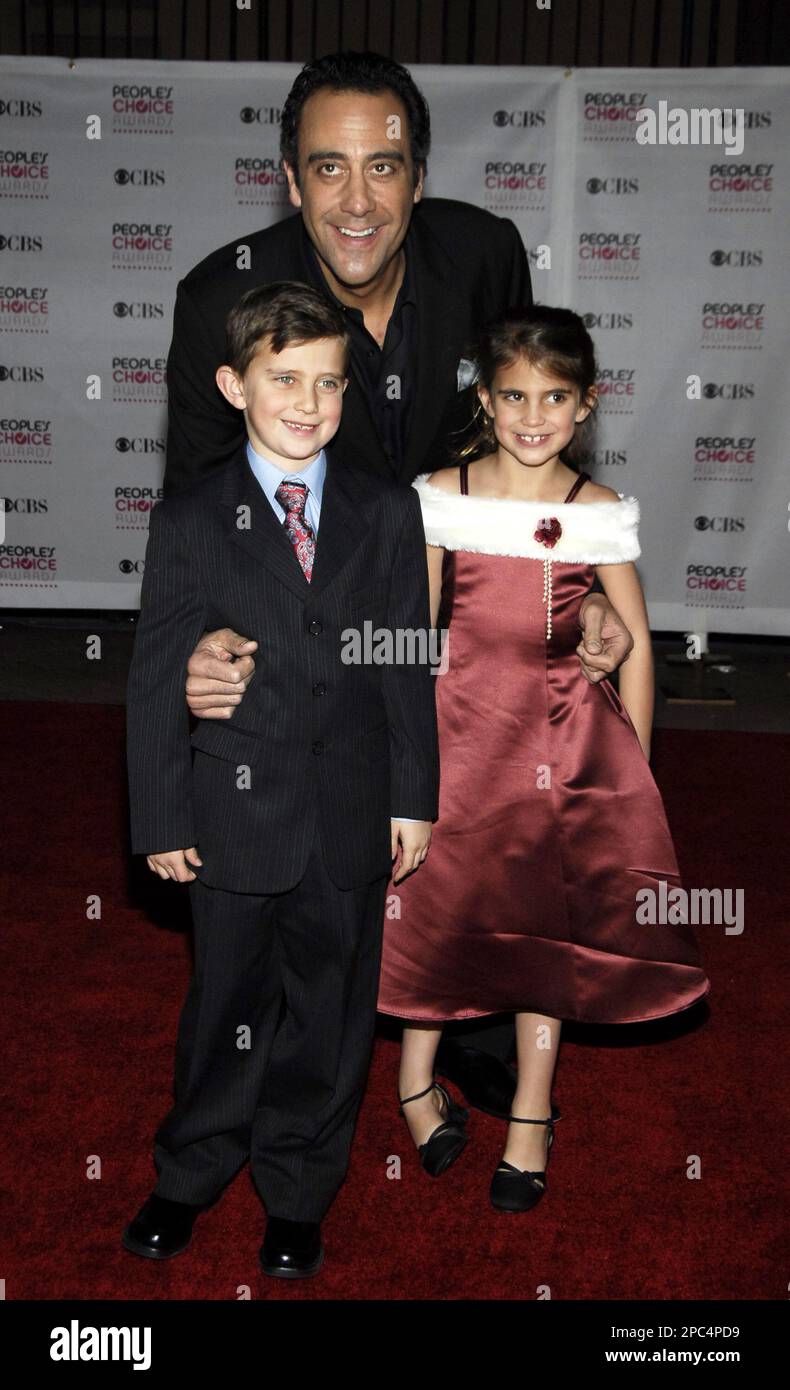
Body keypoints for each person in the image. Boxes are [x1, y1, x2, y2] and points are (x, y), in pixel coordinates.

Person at [170, 51, 637, 1119]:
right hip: (301, 612)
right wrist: (205, 633)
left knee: (474, 818)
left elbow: (527, 446)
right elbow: (199, 497)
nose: (356, 199)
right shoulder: (221, 295)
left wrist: (588, 586)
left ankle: (454, 1007)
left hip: (454, 608)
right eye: (326, 169)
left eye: (383, 167)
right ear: (288, 180)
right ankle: (260, 1078)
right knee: (291, 869)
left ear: (419, 175)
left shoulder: (482, 256)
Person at [122, 282, 438, 1278]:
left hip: (346, 811)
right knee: (223, 1004)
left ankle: (299, 1188)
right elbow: (152, 677)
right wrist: (161, 812)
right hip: (231, 813)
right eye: (283, 378)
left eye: (329, 382)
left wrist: (412, 795)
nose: (308, 401)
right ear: (233, 384)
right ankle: (191, 1170)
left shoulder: (386, 511)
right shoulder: (189, 518)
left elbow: (402, 658)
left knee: (332, 1015)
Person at [376, 305, 711, 1212]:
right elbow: (415, 632)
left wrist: (631, 771)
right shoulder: (440, 494)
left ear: (586, 404)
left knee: (545, 926)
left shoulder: (595, 512)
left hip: (562, 754)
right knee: (427, 914)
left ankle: (531, 1109)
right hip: (453, 743)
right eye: (515, 395)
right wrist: (397, 753)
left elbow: (635, 645)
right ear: (484, 399)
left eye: (555, 398)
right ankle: (413, 1081)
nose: (534, 416)